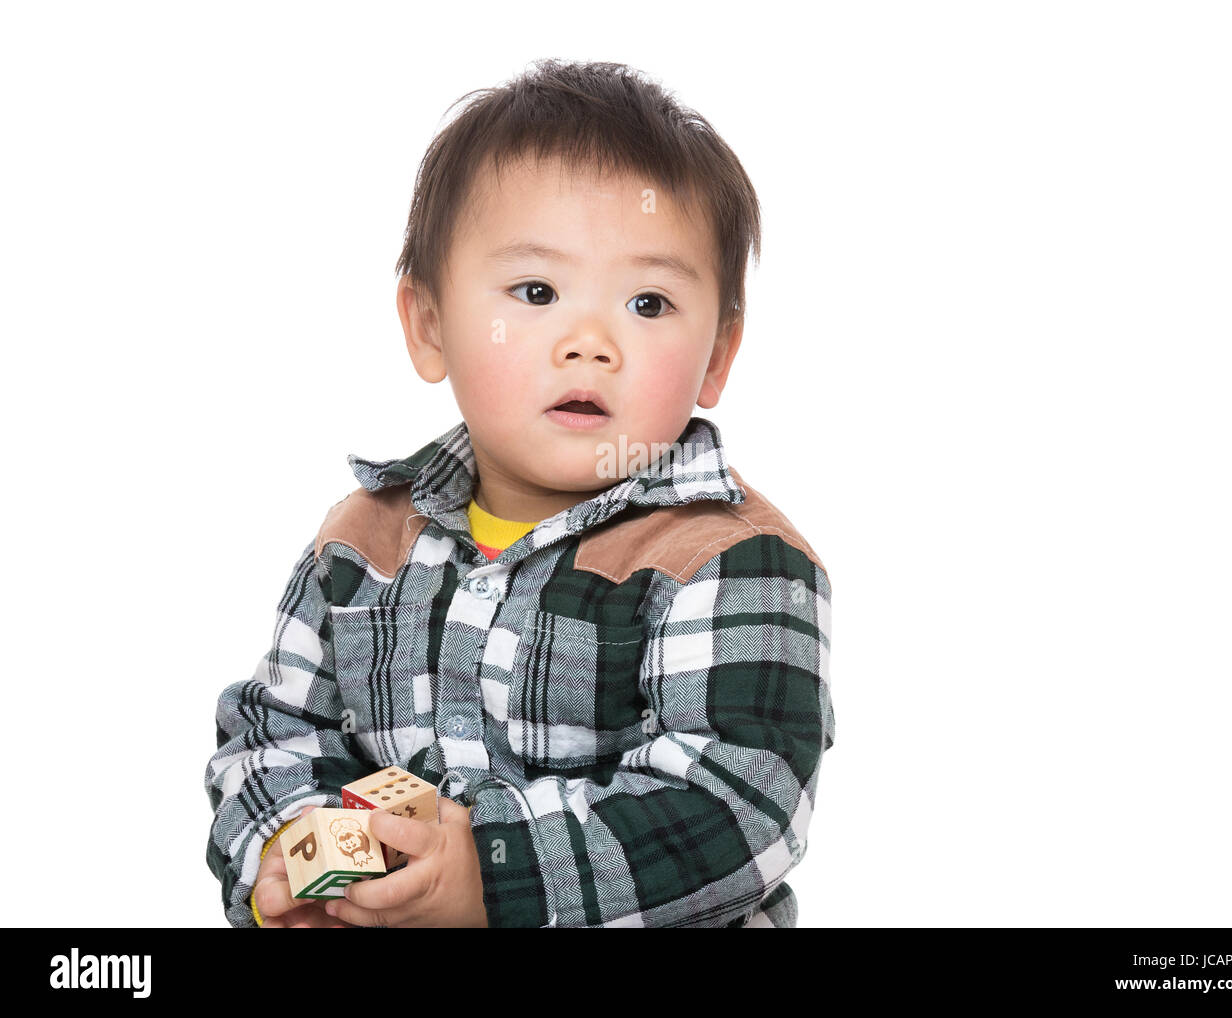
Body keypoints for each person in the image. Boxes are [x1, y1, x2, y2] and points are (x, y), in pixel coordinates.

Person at [204, 58, 834, 928]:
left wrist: (489, 875)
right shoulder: (360, 544)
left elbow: (739, 809)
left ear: (717, 357)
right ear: (429, 326)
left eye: (649, 303)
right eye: (536, 292)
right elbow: (273, 734)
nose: (590, 342)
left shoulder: (729, 560)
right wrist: (287, 859)